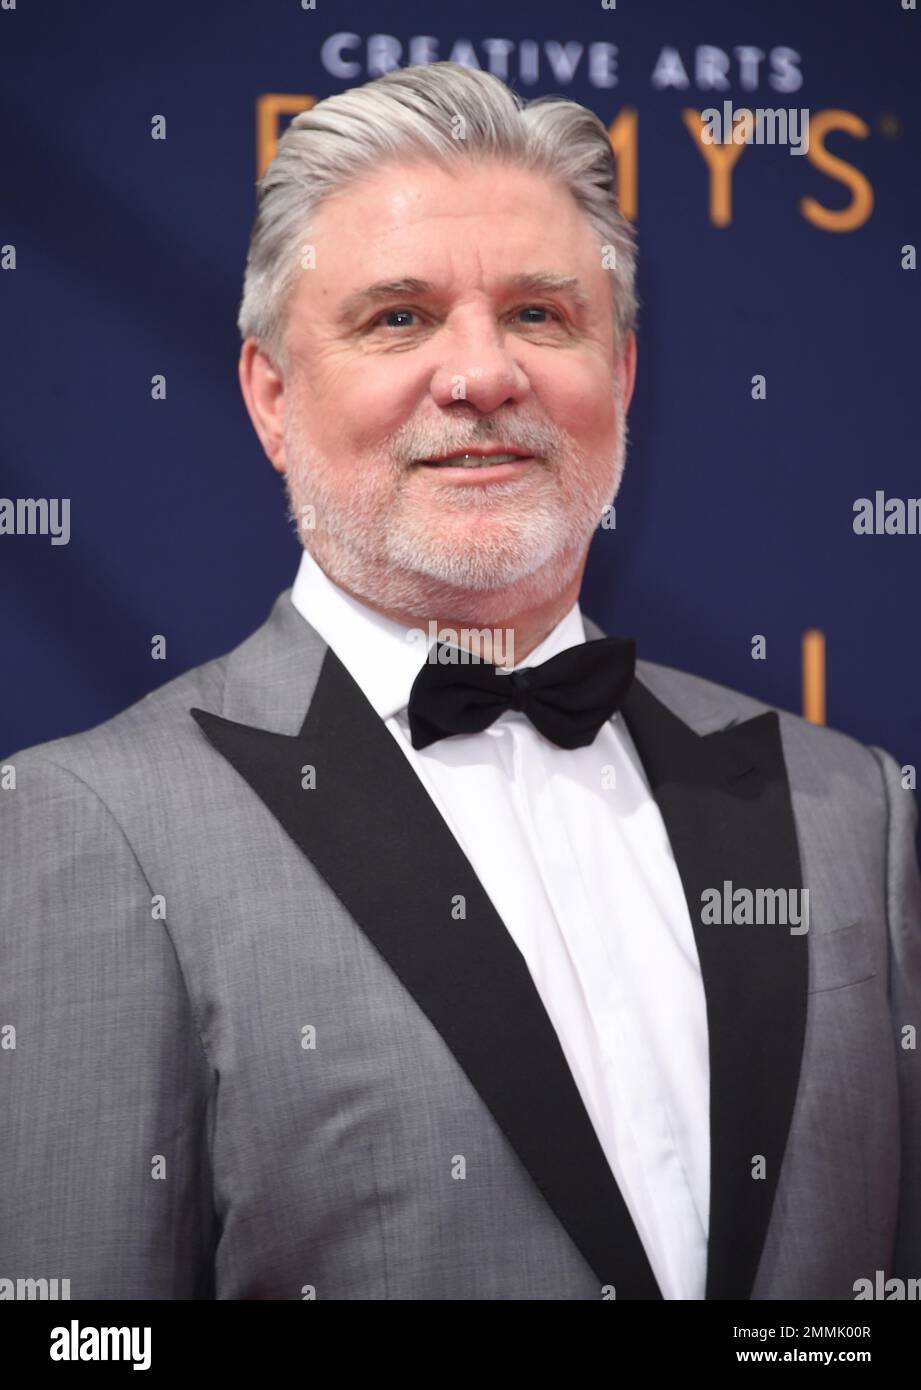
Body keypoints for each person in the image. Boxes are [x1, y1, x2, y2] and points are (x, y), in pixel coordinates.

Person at [2, 61, 919, 1301]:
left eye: (542, 314)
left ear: (624, 378)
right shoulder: (93, 827)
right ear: (273, 397)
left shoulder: (849, 807)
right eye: (399, 317)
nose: (483, 374)